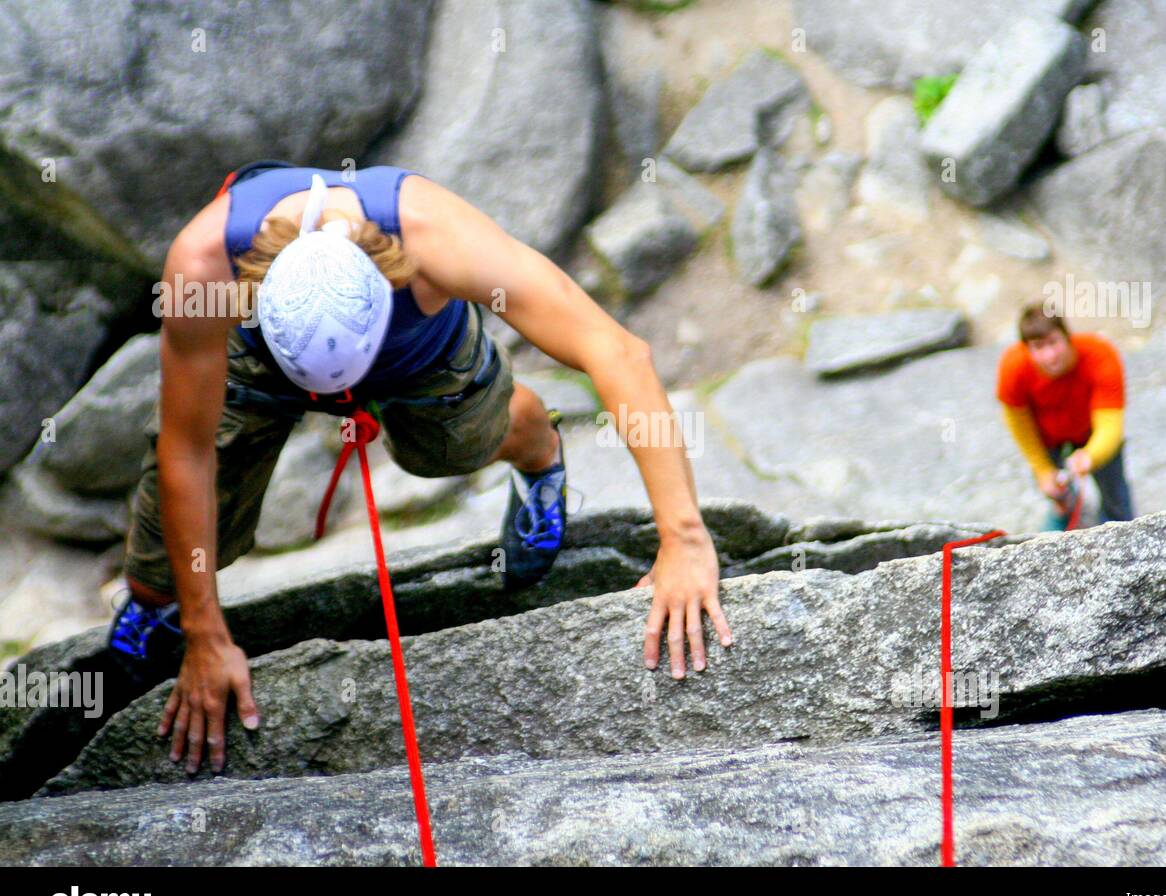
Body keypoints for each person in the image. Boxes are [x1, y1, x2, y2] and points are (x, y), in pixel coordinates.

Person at [107, 162, 733, 776]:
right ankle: (158, 601)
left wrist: (683, 538)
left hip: (418, 346)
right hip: (257, 364)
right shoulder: (204, 268)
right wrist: (204, 633)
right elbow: (187, 450)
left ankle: (536, 448)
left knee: (453, 446)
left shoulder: (437, 239)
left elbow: (616, 350)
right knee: (168, 553)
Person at [996, 303, 1135, 531]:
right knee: (1055, 492)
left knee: (1115, 497)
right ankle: (1063, 511)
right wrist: (1042, 470)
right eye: (1039, 347)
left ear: (1067, 337)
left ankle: (1120, 527)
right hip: (1047, 437)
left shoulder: (1101, 355)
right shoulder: (1013, 368)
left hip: (1092, 433)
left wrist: (1091, 455)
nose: (1050, 356)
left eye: (1053, 342)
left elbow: (1110, 425)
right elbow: (1019, 424)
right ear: (1026, 349)